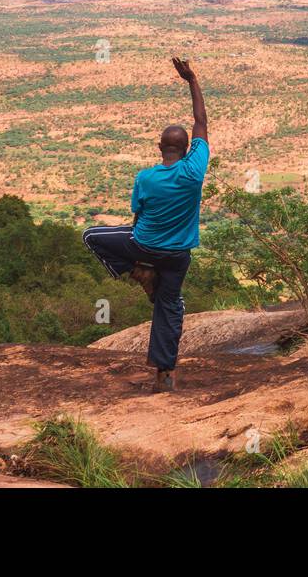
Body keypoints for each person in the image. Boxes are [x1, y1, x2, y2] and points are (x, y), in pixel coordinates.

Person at [82, 56, 208, 393]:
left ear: (160, 148)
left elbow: (138, 216)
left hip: (145, 246)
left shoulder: (146, 178)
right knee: (169, 306)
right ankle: (164, 374)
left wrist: (138, 254)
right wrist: (192, 80)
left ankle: (140, 272)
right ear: (187, 149)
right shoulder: (195, 170)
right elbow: (201, 122)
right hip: (179, 254)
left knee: (92, 235)